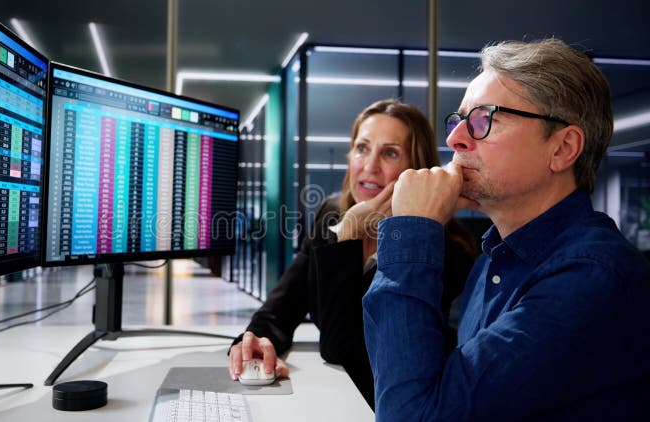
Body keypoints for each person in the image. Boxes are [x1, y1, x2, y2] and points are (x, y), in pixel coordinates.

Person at [362, 39, 650, 420]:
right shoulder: (494, 260)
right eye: (459, 120)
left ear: (563, 149)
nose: (453, 139)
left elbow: (410, 415)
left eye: (484, 119)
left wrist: (413, 230)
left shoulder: (590, 278)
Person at [228, 99, 478, 408]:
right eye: (362, 148)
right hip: (335, 398)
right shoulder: (331, 214)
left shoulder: (443, 248)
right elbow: (282, 307)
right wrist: (256, 339)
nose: (370, 166)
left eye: (390, 153)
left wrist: (348, 235)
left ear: (416, 168)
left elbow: (341, 348)